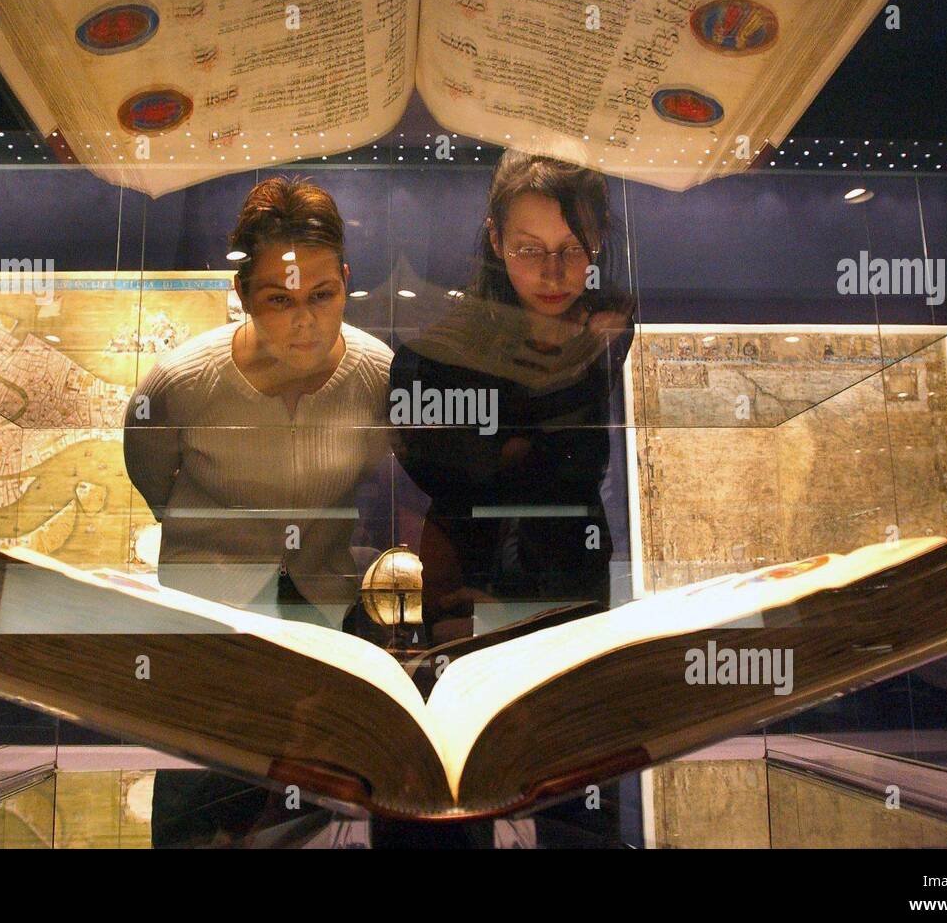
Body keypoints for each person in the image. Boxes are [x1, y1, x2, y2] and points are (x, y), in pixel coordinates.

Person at [122, 175, 392, 846]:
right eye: (279, 299)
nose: (305, 320)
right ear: (241, 294)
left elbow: (378, 482)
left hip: (325, 615)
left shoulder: (379, 378)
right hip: (208, 628)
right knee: (199, 813)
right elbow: (152, 478)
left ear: (346, 283)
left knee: (326, 816)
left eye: (323, 296)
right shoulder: (179, 384)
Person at [387, 150, 635, 846]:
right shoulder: (435, 351)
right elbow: (433, 484)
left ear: (598, 244)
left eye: (573, 250)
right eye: (530, 250)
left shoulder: (607, 330)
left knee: (577, 809)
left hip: (570, 588)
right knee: (452, 803)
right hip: (464, 583)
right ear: (495, 240)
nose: (554, 274)